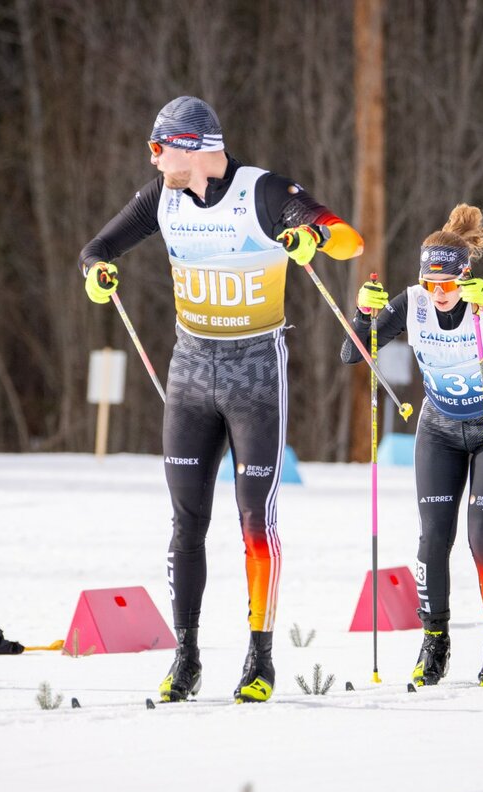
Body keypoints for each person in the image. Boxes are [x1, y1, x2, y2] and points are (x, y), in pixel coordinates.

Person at [78, 96, 364, 703]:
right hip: (190, 376)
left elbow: (350, 241)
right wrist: (96, 273)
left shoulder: (262, 192)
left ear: (194, 147)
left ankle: (260, 659)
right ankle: (186, 658)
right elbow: (97, 247)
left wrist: (313, 236)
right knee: (186, 523)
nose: (153, 159)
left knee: (256, 519)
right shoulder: (163, 198)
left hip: (255, 374)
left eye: (160, 147)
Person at [339, 204, 483, 687]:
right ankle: (435, 643)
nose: (438, 293)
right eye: (430, 283)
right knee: (432, 539)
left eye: (447, 284)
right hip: (439, 430)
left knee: (482, 536)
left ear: (465, 276)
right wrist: (363, 313)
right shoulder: (411, 303)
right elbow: (353, 352)